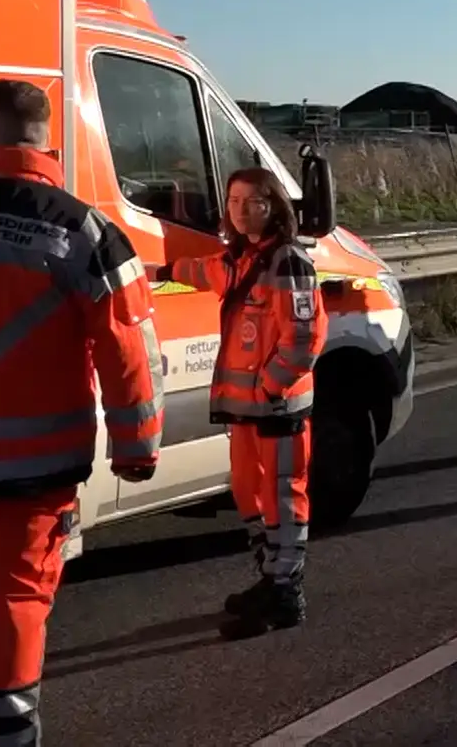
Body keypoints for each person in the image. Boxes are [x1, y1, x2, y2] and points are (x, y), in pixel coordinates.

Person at [0, 79, 164, 746]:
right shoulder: (86, 231)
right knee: (14, 601)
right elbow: (125, 350)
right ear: (43, 139)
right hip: (35, 472)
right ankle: (7, 731)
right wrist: (136, 444)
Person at [161, 167, 326, 639]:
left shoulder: (287, 262)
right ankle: (269, 577)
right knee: (249, 494)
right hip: (248, 411)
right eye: (232, 201)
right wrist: (159, 269)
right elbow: (202, 271)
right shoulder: (239, 259)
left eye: (250, 201)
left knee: (282, 497)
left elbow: (305, 337)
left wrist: (270, 388)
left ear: (272, 206)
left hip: (278, 409)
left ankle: (285, 592)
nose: (238, 210)